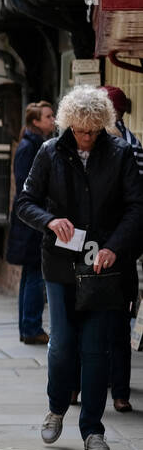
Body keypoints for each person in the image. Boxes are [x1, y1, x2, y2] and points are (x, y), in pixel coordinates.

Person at [15, 85, 143, 450]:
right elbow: (25, 202)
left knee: (95, 349)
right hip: (60, 264)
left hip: (103, 266)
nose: (86, 139)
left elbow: (137, 207)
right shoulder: (49, 151)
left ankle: (93, 430)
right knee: (62, 346)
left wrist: (114, 247)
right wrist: (51, 221)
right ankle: (56, 408)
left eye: (93, 131)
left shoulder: (119, 154)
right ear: (69, 125)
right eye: (80, 131)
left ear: (103, 125)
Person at [103, 85, 143, 412]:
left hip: (121, 247)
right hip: (88, 247)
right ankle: (88, 383)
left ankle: (119, 390)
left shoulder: (130, 147)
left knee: (118, 321)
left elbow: (135, 202)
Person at [8, 101, 55, 344]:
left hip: (31, 218)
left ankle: (28, 327)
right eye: (48, 116)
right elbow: (28, 185)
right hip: (31, 220)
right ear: (36, 122)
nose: (52, 120)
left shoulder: (34, 144)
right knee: (36, 273)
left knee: (31, 274)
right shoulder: (30, 147)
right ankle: (31, 328)